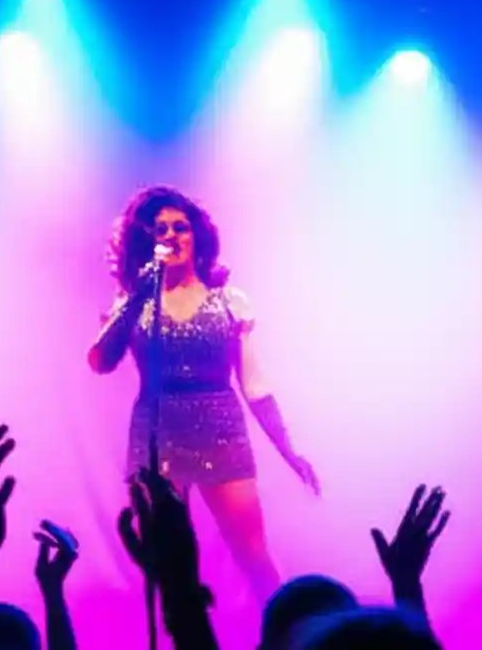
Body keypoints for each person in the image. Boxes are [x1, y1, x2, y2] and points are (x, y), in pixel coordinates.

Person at [88, 185, 319, 599]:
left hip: (220, 430)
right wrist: (138, 294)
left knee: (253, 554)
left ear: (197, 236)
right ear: (147, 241)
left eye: (181, 227)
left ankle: (286, 635)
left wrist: (288, 450)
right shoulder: (134, 302)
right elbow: (100, 361)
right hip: (156, 435)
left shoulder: (228, 301)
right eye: (161, 229)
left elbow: (255, 386)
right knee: (168, 564)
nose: (172, 236)